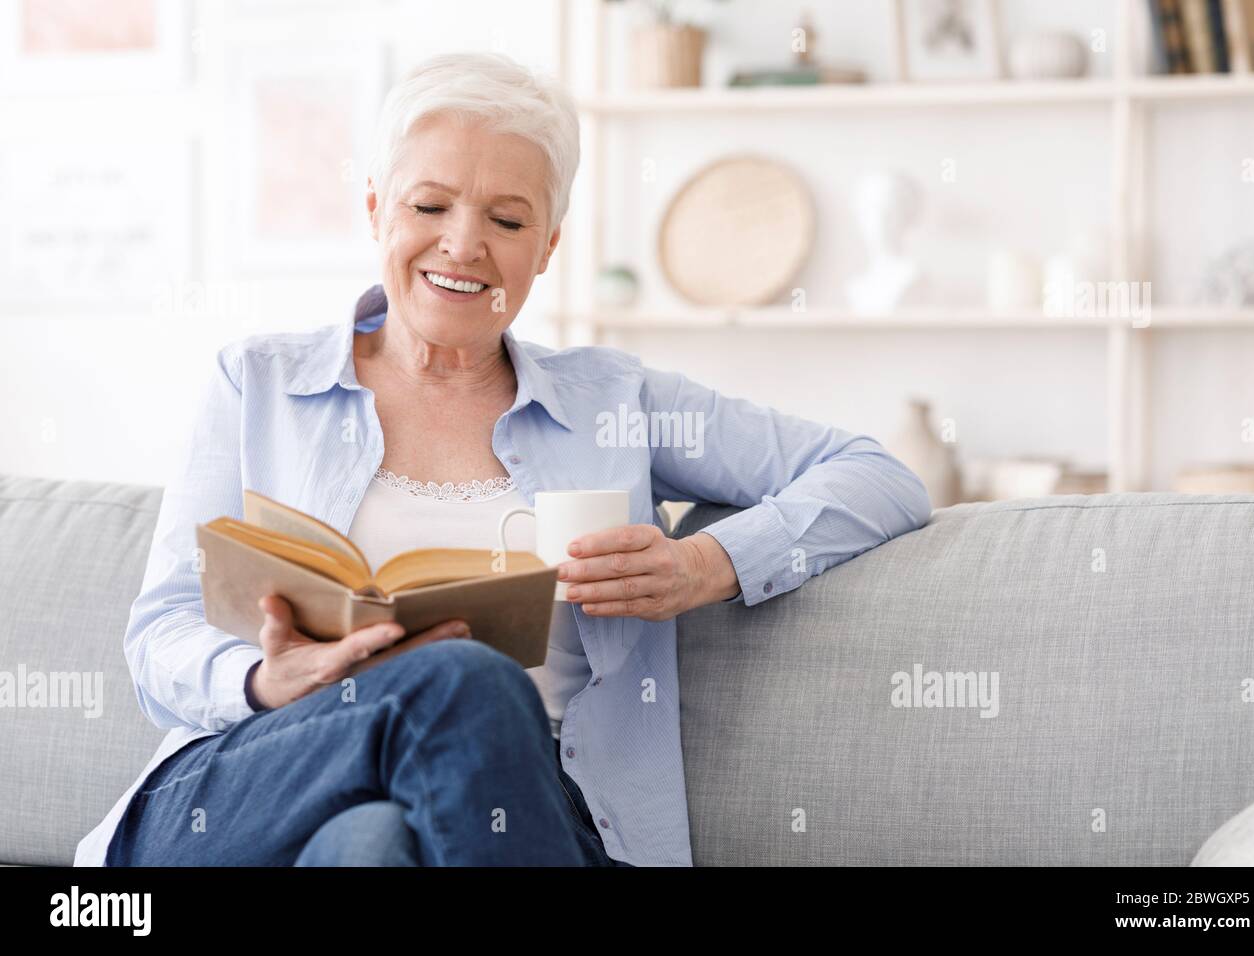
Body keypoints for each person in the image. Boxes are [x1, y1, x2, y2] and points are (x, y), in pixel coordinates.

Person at [74, 52, 931, 867]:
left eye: (507, 220)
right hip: (258, 781)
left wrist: (706, 563)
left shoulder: (616, 404)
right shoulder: (256, 384)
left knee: (372, 846)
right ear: (376, 210)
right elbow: (161, 636)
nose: (462, 244)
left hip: (528, 810)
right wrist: (265, 678)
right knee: (456, 681)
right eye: (429, 206)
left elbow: (879, 476)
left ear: (548, 246)